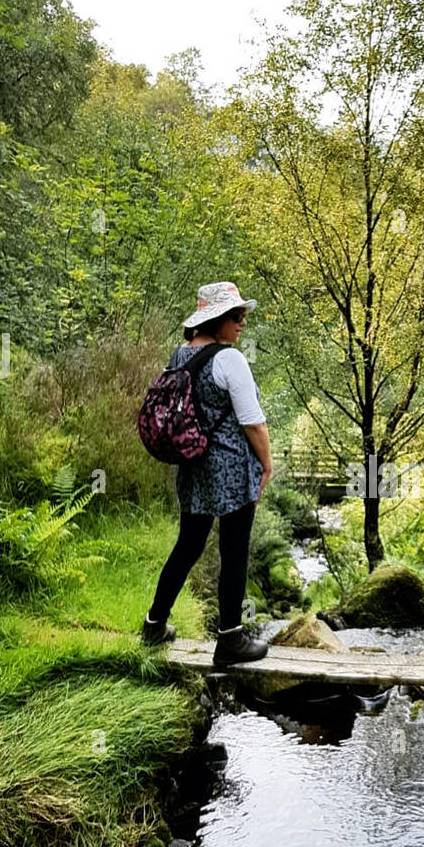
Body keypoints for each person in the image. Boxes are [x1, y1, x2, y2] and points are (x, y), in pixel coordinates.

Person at [141, 281, 271, 665]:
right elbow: (253, 423)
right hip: (231, 469)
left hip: (193, 466)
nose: (242, 323)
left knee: (188, 546)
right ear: (216, 318)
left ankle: (153, 624)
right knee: (234, 551)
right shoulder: (230, 359)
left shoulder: (180, 355)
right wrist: (267, 464)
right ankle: (230, 639)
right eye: (236, 316)